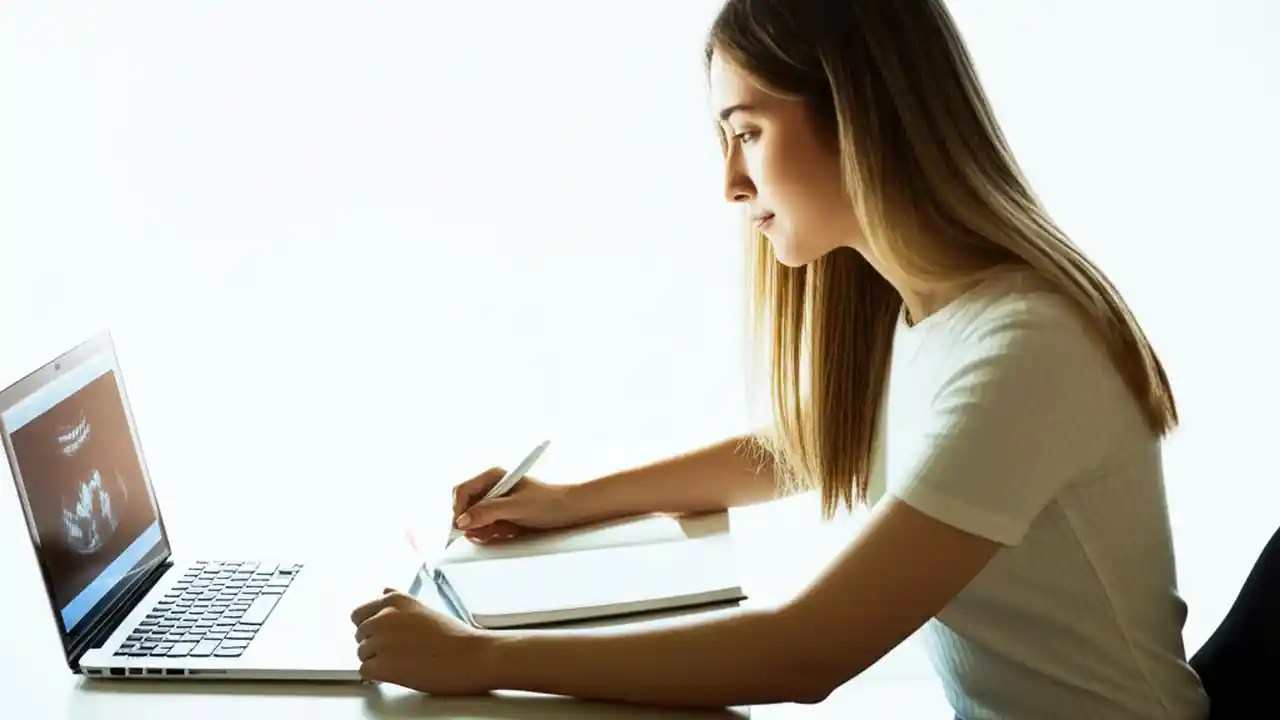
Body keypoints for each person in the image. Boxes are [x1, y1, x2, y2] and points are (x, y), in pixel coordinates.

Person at [349, 1, 1211, 717]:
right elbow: (803, 445)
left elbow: (801, 656)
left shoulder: (1026, 348)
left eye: (748, 132)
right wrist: (570, 502)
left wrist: (477, 659)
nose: (730, 181)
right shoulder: (928, 313)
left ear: (859, 115)